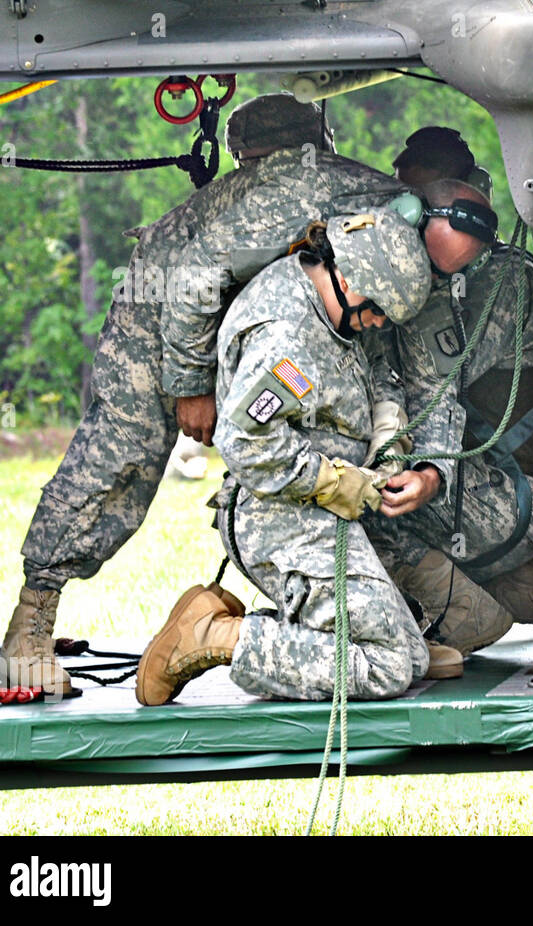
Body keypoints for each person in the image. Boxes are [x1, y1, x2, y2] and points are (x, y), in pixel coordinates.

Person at [0, 93, 416, 696]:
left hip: (215, 312)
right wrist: (191, 385)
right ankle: (30, 626)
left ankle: (365, 625)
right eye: (250, 161)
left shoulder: (344, 205)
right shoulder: (314, 194)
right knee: (123, 458)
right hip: (159, 304)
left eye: (255, 159)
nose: (251, 172)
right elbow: (192, 280)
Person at [135, 208, 435, 704]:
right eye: (378, 309)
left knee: (413, 657)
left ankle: (222, 620)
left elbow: (378, 369)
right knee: (385, 666)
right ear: (349, 276)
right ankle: (217, 638)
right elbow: (245, 442)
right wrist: (336, 483)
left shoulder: (338, 306)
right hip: (278, 516)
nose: (379, 322)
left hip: (316, 513)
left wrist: (387, 447)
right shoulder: (286, 339)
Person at [365, 178, 533, 655]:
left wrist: (430, 474)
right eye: (429, 268)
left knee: (363, 490)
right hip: (507, 496)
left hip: (524, 500)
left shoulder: (499, 287)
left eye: (447, 275)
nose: (430, 285)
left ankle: (431, 619)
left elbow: (430, 393)